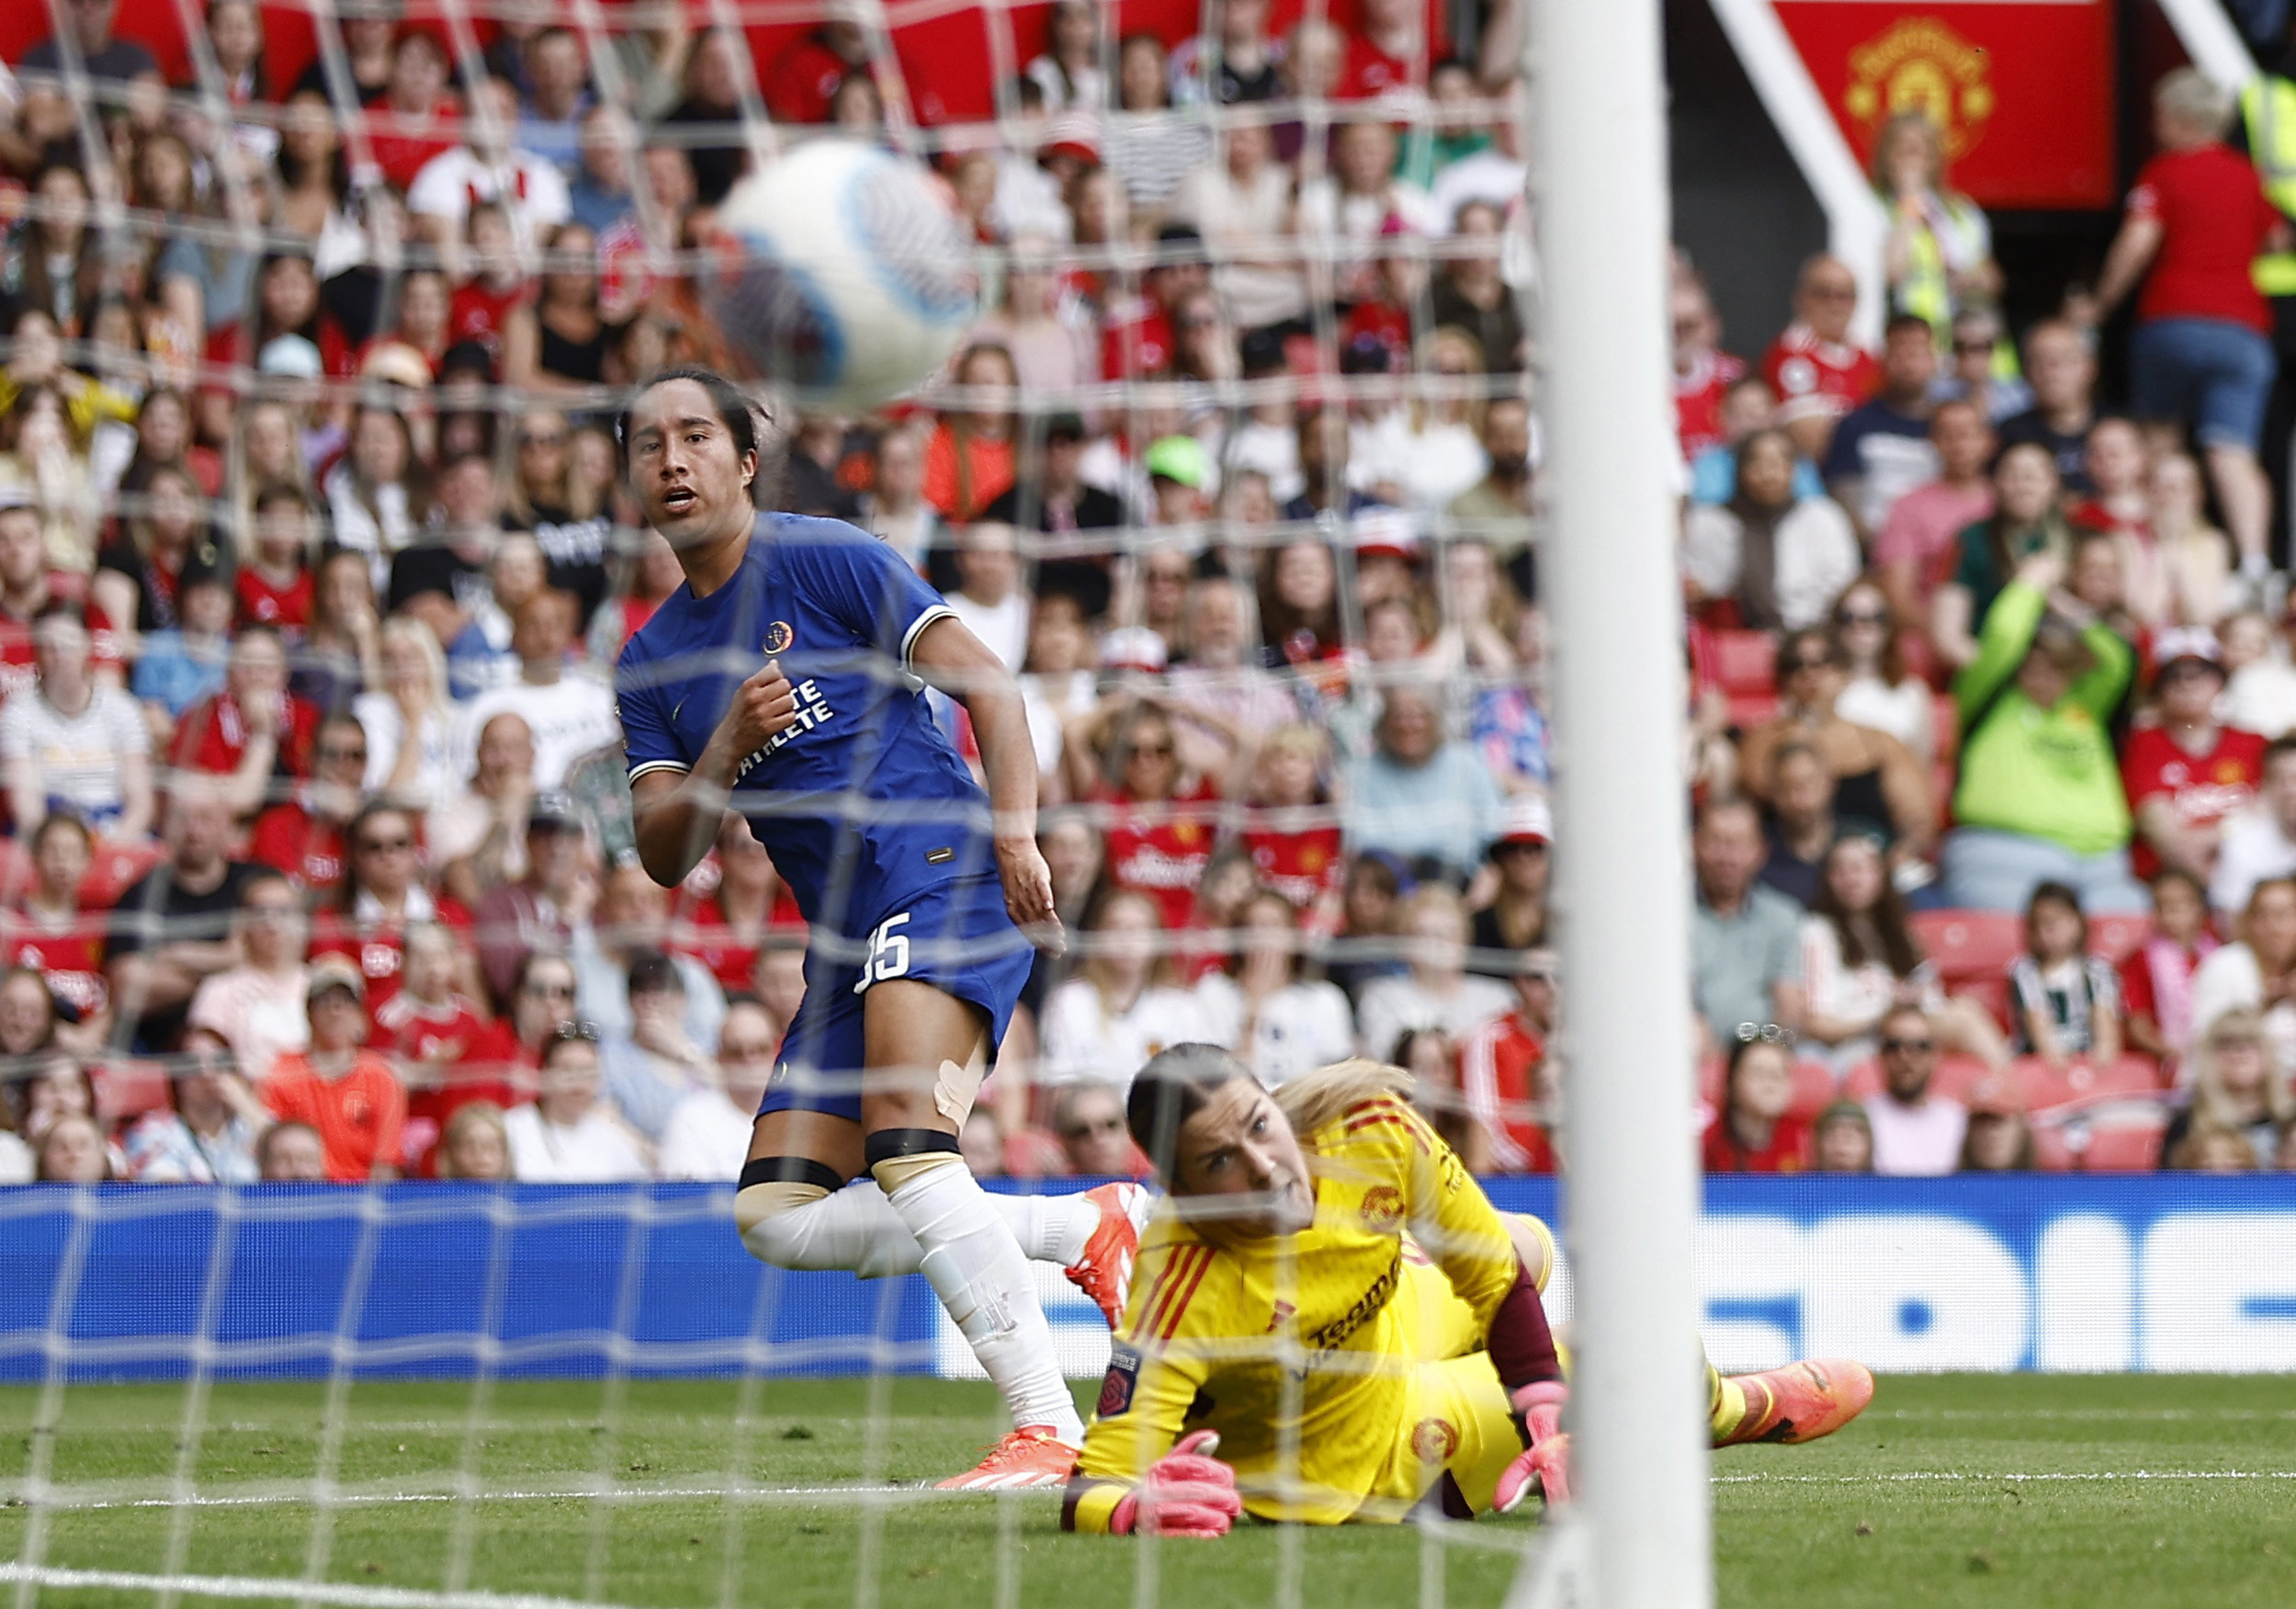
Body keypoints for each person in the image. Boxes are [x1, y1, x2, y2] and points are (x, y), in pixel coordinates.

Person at [615, 368, 1140, 1488]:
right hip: (844, 939)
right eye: (649, 442)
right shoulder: (652, 660)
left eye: (696, 435)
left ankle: (1048, 1424)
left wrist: (1015, 835)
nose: (673, 459)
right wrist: (723, 748)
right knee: (777, 1216)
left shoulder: (828, 557)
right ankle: (1080, 1229)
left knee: (911, 1146)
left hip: (940, 868)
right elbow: (664, 852)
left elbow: (990, 688)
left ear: (744, 461)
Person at [1062, 1048, 1874, 1535]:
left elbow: (1490, 1270)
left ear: (1277, 1105)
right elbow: (1092, 1484)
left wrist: (1544, 1413)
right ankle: (1736, 1409)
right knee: (1639, 1347)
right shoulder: (1178, 1288)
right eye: (1218, 1160)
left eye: (1260, 1124)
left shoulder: (1370, 1131)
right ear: (1180, 1189)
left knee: (1522, 1245)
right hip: (1371, 1445)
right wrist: (1132, 1509)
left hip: (1380, 1310)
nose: (1266, 1164)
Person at [2091, 68, 2279, 579]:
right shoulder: (2246, 174)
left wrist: (2100, 303)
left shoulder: (2164, 172)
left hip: (2173, 322)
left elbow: (2135, 244)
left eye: (2160, 116)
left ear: (2181, 118)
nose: (2154, 127)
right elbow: (2277, 238)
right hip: (2244, 331)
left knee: (2159, 441)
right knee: (2233, 452)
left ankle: (2154, 551)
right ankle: (2256, 564)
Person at [1943, 554, 2147, 913]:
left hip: (2101, 864)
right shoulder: (1989, 701)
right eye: (2031, 665)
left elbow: (2118, 661)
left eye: (2056, 665)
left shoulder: (2086, 707)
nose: (2041, 675)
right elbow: (2005, 637)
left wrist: (2067, 608)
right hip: (2007, 856)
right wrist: (2029, 585)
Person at [1801, 834, 2008, 1073]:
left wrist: (1912, 998)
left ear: (1881, 874)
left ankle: (2007, 1090)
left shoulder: (1898, 932)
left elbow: (1932, 996)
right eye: (1840, 871)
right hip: (1860, 1043)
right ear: (1828, 879)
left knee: (1967, 1006)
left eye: (1860, 868)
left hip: (1910, 1032)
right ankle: (2014, 1091)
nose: (1852, 879)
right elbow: (1816, 1024)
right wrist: (1882, 1015)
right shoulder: (1817, 932)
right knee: (1963, 1018)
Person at [107, 786, 263, 1055]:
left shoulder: (256, 884)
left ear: (227, 823)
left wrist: (170, 955)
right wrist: (226, 962)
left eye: (205, 818)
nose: (194, 830)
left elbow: (269, 961)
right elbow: (129, 988)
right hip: (158, 1047)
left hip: (249, 1040)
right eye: (183, 819)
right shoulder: (143, 893)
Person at [2121, 632, 2264, 890]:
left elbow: (2270, 816)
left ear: (2220, 682)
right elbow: (2167, 838)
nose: (2186, 684)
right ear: (2158, 689)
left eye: (2199, 674)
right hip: (2170, 887)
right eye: (2173, 677)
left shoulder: (2253, 743)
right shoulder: (2144, 744)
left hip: (2251, 882)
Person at [1680, 430, 1860, 632]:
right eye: (1757, 463)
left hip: (1813, 635)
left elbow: (1843, 583)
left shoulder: (1821, 516)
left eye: (1779, 463)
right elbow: (1700, 585)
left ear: (1794, 469)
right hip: (1735, 638)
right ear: (1740, 468)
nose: (1769, 474)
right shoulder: (1710, 521)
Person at [0, 606, 153, 840]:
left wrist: (112, 843)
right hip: (47, 830)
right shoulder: (17, 713)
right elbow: (26, 808)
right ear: (37, 654)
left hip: (113, 823)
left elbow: (140, 803)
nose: (60, 655)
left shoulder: (124, 709)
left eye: (69, 645)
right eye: (50, 647)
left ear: (87, 647)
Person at [1037, 889, 1208, 1088]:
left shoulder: (1182, 1008)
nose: (1127, 938)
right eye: (1116, 927)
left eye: (1138, 928)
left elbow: (1198, 1084)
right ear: (1097, 935)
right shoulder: (1068, 1001)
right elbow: (1059, 1088)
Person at [1931, 442, 2077, 669]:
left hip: (2067, 668)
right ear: (1996, 483)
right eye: (2013, 476)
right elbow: (1948, 637)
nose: (2024, 486)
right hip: (1991, 666)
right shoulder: (1971, 539)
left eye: (2034, 476)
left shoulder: (2079, 537)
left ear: (2054, 484)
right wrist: (1994, 669)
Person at [261, 958, 407, 1184]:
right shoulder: (283, 1072)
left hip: (361, 1199)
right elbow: (272, 1153)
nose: (335, 1009)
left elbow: (385, 1165)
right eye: (324, 1001)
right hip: (301, 1193)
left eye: (346, 1002)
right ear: (309, 1012)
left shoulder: (382, 1077)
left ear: (361, 1014)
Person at [1341, 684, 1506, 883]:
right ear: (1384, 723)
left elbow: (1493, 827)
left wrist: (1487, 869)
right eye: (1399, 716)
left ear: (1436, 721)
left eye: (1419, 715)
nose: (1409, 725)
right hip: (1386, 883)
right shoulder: (1360, 772)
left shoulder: (1467, 765)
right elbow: (1359, 840)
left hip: (1457, 878)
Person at [457, 591, 618, 791]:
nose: (546, 636)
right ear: (514, 636)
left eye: (555, 625)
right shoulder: (488, 705)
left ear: (569, 634)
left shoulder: (600, 696)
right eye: (533, 625)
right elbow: (470, 777)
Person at [1192, 889, 1354, 1085]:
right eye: (1252, 927)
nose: (1262, 937)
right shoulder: (1214, 992)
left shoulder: (1324, 999)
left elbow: (1339, 1079)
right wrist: (1254, 1005)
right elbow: (1213, 1081)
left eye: (1273, 926)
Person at [1691, 798, 1805, 1052]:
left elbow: (1788, 1006)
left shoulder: (1782, 916)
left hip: (1759, 1051)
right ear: (1694, 844)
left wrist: (1764, 1053)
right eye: (1715, 842)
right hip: (1687, 1050)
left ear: (1760, 852)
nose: (1726, 857)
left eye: (1738, 845)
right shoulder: (1673, 917)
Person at [1873, 111, 2000, 338]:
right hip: (1901, 343)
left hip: (1955, 342)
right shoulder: (1870, 206)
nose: (1912, 160)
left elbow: (1991, 280)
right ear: (1885, 155)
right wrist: (1909, 204)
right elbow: (1890, 274)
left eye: (1921, 151)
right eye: (1903, 149)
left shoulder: (1960, 212)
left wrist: (1970, 279)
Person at [1353, 887, 1513, 1064]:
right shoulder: (1381, 997)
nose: (1439, 944)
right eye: (1425, 934)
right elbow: (1388, 1058)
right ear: (1403, 942)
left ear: (1466, 939)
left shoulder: (1498, 998)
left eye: (1450, 933)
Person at [1876, 401, 1995, 637]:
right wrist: (1951, 637)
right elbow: (1898, 599)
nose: (1958, 445)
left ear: (1989, 441)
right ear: (1932, 443)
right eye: (1947, 435)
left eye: (1967, 434)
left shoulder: (2007, 500)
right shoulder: (1908, 506)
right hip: (1931, 635)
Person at [183, 870, 311, 1085]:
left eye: (284, 913)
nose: (272, 925)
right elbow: (206, 1064)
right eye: (261, 913)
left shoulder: (322, 984)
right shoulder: (219, 989)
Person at [1822, 313, 1940, 544]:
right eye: (1899, 353)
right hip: (1875, 548)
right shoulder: (1854, 425)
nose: (1908, 364)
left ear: (1933, 360)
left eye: (1916, 353)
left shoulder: (1948, 425)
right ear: (1884, 359)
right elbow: (1845, 505)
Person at [1759, 255, 1880, 462]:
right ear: (1800, 299)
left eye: (1844, 296)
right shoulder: (1789, 354)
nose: (1835, 305)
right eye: (1823, 294)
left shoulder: (1869, 358)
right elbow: (1810, 439)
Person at [502, 1023, 651, 1183]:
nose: (579, 1083)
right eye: (567, 1070)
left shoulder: (610, 1135)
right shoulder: (512, 1127)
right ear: (545, 1073)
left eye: (588, 1071)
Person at [656, 995, 782, 1182]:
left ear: (776, 1053)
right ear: (719, 1057)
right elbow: (689, 1199)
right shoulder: (691, 1117)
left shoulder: (800, 1114)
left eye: (761, 1049)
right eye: (736, 1051)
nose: (750, 1060)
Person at [1457, 956, 1559, 1173]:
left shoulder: (1590, 1042)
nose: (1552, 987)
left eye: (1560, 977)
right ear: (1519, 983)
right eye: (1538, 978)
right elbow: (1485, 1127)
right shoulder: (1491, 1038)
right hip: (1515, 1180)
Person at [120, 1031, 266, 1183]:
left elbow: (287, 1162)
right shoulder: (153, 1130)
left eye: (219, 1062)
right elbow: (162, 1192)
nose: (208, 1073)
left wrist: (248, 1107)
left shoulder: (252, 1125)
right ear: (175, 1075)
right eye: (193, 1064)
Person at [2008, 882, 2123, 1068]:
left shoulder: (2098, 970)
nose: (2047, 933)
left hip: (2088, 1056)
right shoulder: (2025, 972)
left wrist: (2099, 1061)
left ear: (2077, 922)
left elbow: (2106, 1027)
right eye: (2039, 924)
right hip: (2040, 1061)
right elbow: (2037, 1025)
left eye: (2055, 923)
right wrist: (2058, 1063)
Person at [2159, 1008, 2290, 1169]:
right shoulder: (2187, 1125)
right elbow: (2167, 1189)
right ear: (2209, 1057)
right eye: (2226, 1045)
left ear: (2269, 1053)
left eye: (2250, 1042)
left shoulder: (2290, 1121)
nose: (2239, 1053)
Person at [2121, 868, 2220, 1068]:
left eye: (2185, 902)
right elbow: (2139, 1029)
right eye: (2165, 904)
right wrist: (2179, 1056)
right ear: (2154, 913)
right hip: (2170, 1061)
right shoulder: (2141, 960)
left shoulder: (2218, 954)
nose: (2176, 910)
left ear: (2202, 908)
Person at [1861, 1005, 1968, 1176]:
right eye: (1894, 1046)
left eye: (1920, 1046)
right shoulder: (1861, 1121)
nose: (1905, 1056)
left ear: (1935, 1055)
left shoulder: (1959, 1122)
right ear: (1880, 1054)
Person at [1995, 321, 2099, 493]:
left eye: (2061, 360)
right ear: (2026, 371)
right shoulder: (2008, 435)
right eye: (2038, 361)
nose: (2050, 373)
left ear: (2089, 366)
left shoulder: (2116, 429)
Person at [2210, 735, 2296, 919]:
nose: (2290, 790)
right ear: (2266, 787)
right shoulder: (2242, 843)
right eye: (2280, 780)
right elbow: (2231, 921)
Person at [1702, 1031, 1810, 1173]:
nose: (1771, 1086)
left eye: (1779, 1075)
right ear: (1731, 1082)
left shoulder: (1804, 1139)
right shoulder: (1708, 1147)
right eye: (1759, 1074)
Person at [1050, 1082, 1146, 1176]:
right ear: (1066, 1142)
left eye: (1111, 1125)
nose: (1099, 1140)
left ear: (1127, 1130)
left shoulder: (1153, 1185)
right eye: (1083, 1131)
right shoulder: (1049, 1187)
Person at [436, 1102, 514, 1181]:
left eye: (491, 1146)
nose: (480, 1155)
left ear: (504, 1151)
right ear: (452, 1151)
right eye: (470, 1146)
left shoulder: (520, 1191)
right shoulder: (434, 1191)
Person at [1812, 1100, 1874, 1173]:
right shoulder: (1802, 1183)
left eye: (1850, 1135)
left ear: (1869, 1143)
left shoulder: (1884, 1183)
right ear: (1818, 1142)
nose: (1841, 1142)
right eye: (1832, 1135)